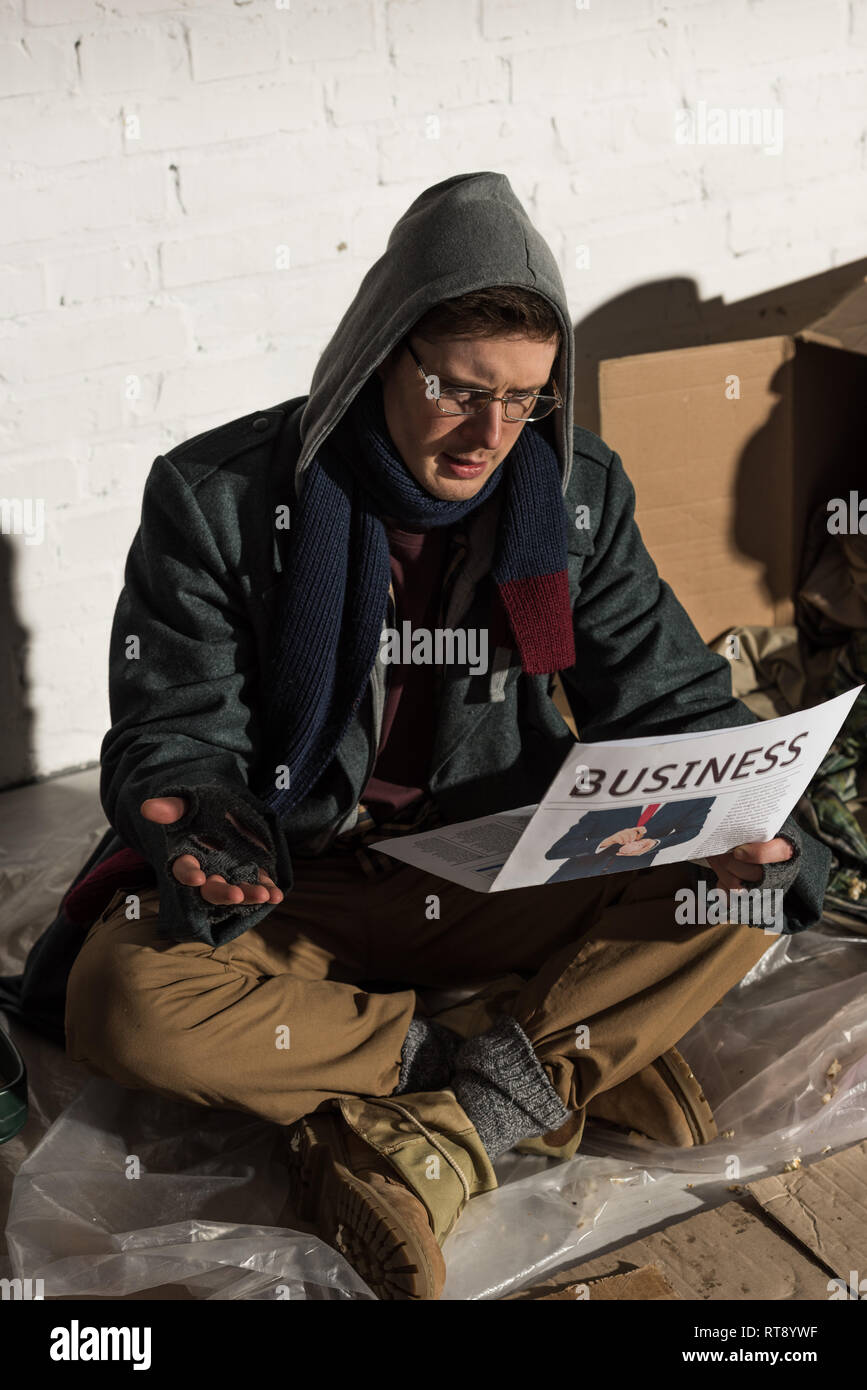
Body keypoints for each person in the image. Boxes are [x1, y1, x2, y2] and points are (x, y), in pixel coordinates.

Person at [2, 172, 831, 1302]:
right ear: (382, 354)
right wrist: (200, 821)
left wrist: (760, 818)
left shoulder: (574, 493)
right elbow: (176, 731)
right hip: (298, 886)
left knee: (731, 898)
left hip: (498, 865)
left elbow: (673, 702)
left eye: (527, 398)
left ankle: (426, 1120)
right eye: (459, 388)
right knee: (124, 1003)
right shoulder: (218, 498)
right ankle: (519, 1073)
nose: (492, 432)